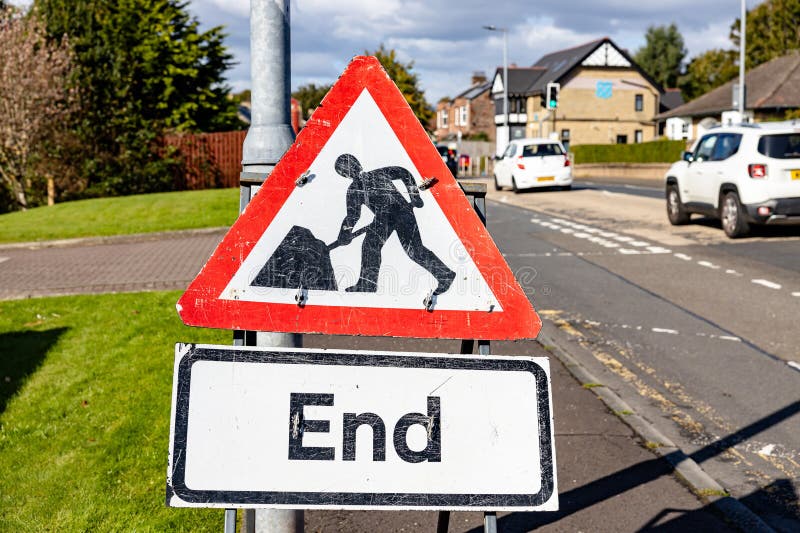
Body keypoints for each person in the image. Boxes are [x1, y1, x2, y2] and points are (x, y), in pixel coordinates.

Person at [335, 153, 455, 295]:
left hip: (400, 212)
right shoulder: (355, 189)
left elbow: (404, 173)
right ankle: (367, 284)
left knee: (413, 251)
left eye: (350, 167)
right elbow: (353, 215)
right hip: (385, 216)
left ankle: (444, 275)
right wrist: (344, 233)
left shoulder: (377, 175)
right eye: (347, 169)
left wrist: (414, 195)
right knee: (371, 245)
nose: (351, 170)